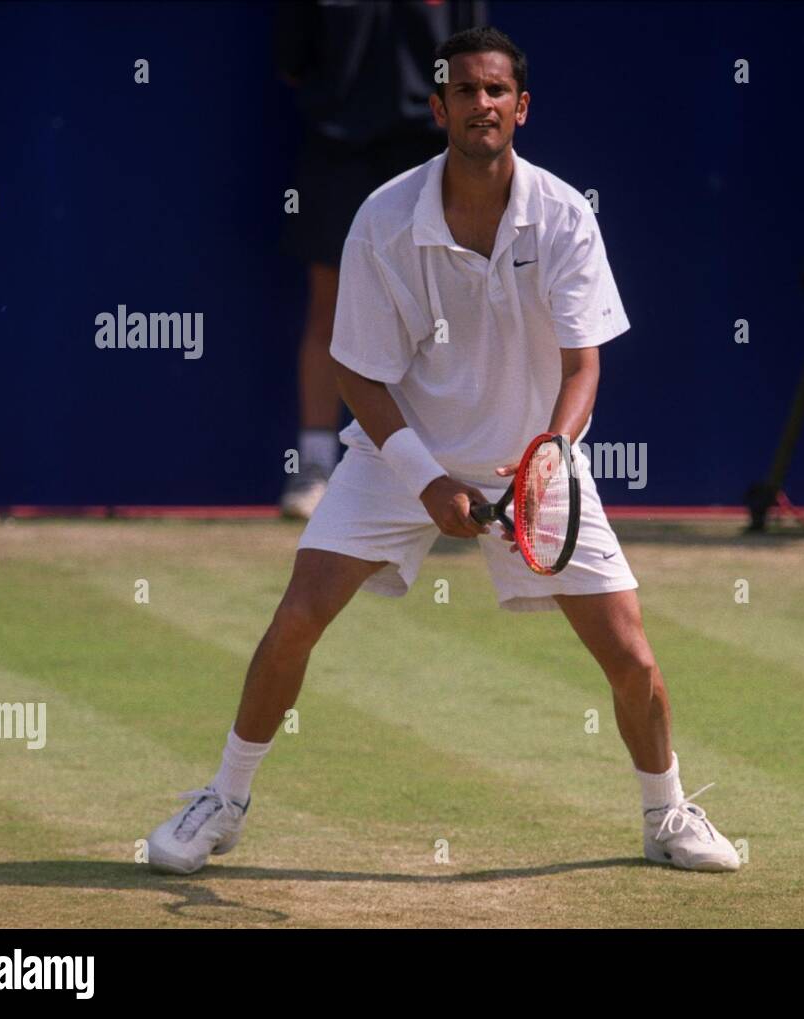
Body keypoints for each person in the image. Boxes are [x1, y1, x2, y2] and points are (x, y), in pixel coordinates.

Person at [146, 27, 740, 875]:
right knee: (296, 617)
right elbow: (356, 371)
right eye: (465, 92)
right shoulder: (383, 219)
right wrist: (425, 479)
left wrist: (551, 456)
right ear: (440, 108)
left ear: (521, 108)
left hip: (536, 460)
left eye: (497, 91)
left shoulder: (566, 215)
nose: (482, 105)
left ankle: (666, 813)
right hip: (402, 457)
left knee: (633, 657)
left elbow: (583, 364)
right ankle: (224, 800)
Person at [275, 0, 484, 519]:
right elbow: (291, 58)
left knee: (442, 308)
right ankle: (315, 467)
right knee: (331, 306)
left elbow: (474, 55)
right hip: (337, 149)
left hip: (430, 147)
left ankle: (446, 465)